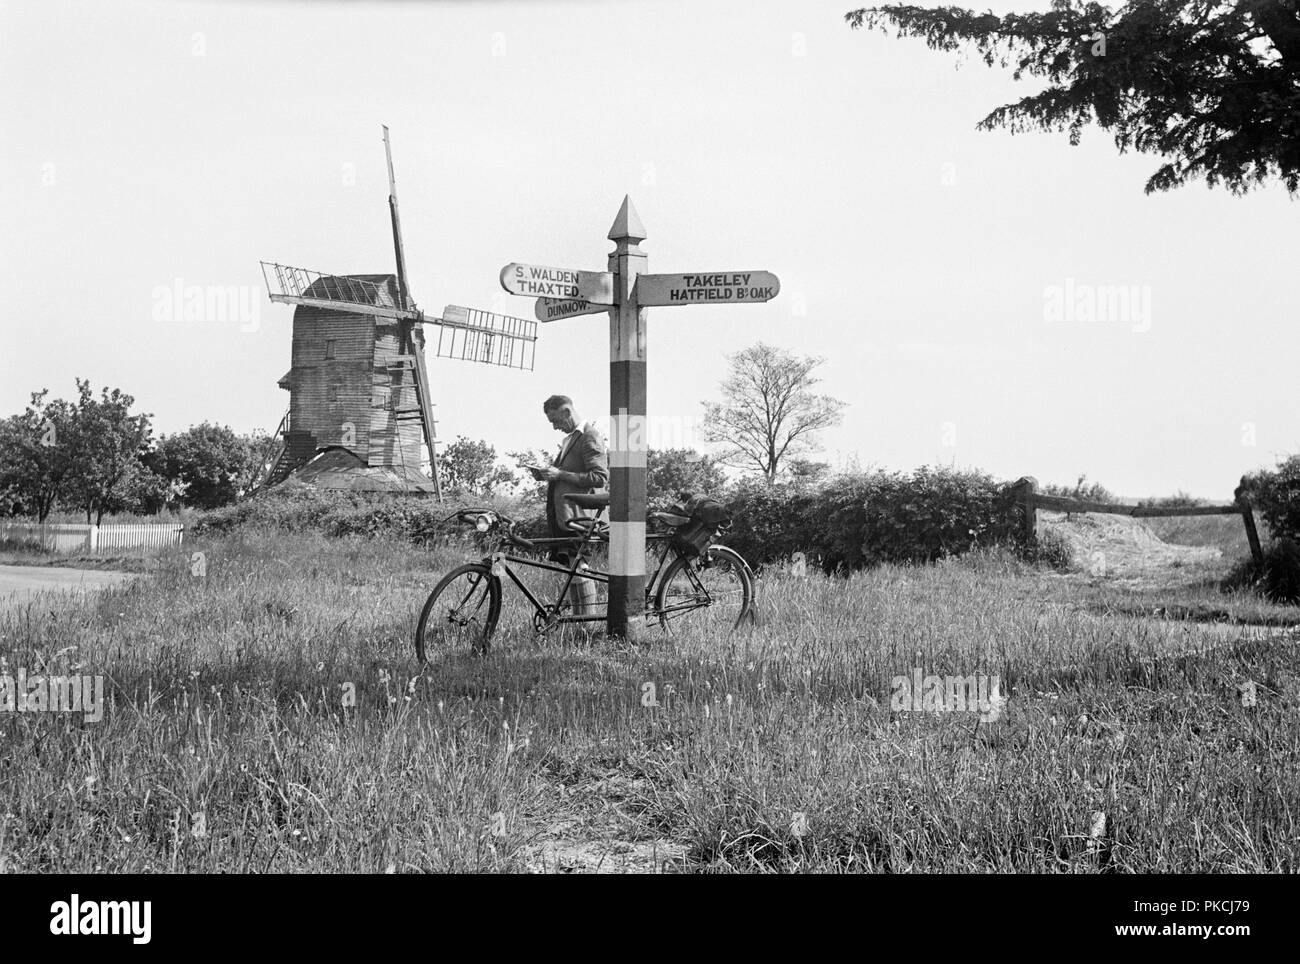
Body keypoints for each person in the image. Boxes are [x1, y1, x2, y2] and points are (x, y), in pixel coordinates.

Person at [532, 395, 608, 619]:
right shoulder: (570, 439)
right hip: (564, 515)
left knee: (579, 567)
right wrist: (546, 475)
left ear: (566, 411)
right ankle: (579, 622)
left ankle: (587, 623)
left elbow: (599, 477)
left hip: (579, 515)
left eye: (555, 420)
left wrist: (560, 474)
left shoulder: (589, 436)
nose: (555, 427)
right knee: (571, 568)